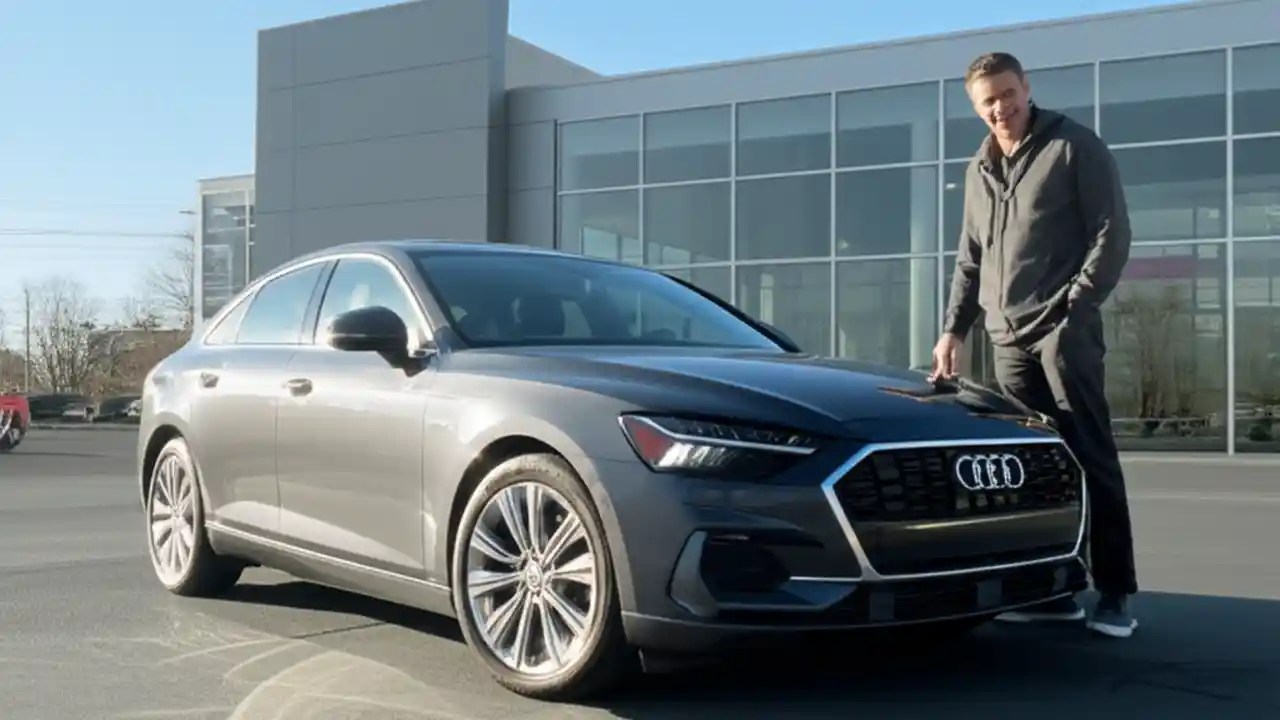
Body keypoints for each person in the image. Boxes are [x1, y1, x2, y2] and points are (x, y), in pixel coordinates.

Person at [930, 52, 1139, 638]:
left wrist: (1076, 309)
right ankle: (1054, 590)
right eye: (987, 101)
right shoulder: (978, 170)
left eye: (1007, 93)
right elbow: (969, 261)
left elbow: (1112, 233)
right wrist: (954, 330)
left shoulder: (1074, 146)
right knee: (1036, 472)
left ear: (1027, 88)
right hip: (1008, 343)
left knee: (1090, 456)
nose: (1000, 107)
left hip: (1061, 333)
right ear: (977, 108)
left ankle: (1116, 591)